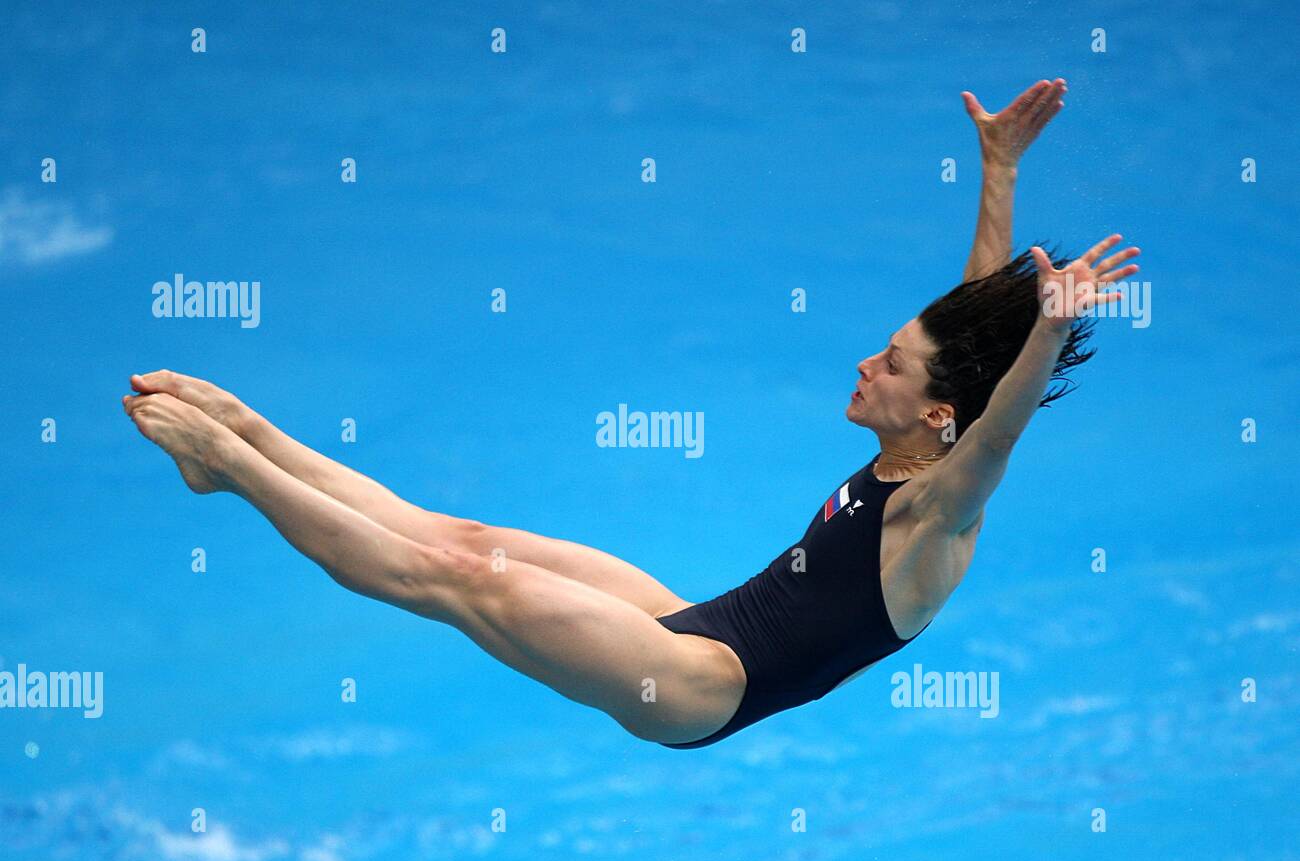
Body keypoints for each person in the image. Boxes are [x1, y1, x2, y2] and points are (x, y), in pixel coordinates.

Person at [122, 78, 1139, 748]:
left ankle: (229, 464)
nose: (866, 363)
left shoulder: (941, 512)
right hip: (690, 615)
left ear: (937, 417)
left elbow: (999, 424)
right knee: (463, 534)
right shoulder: (928, 443)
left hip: (700, 683)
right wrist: (997, 172)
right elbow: (969, 336)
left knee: (456, 579)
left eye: (891, 365)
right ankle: (252, 438)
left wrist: (1049, 331)